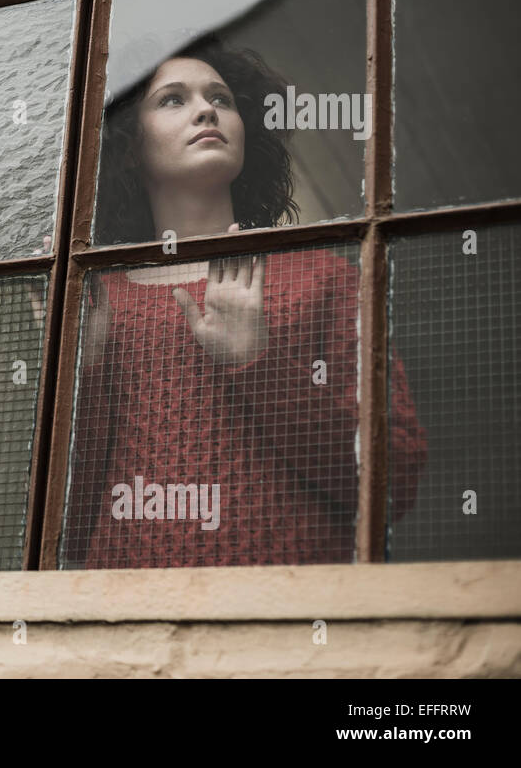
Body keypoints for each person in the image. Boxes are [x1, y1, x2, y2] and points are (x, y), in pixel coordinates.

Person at [61, 37, 427, 568]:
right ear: (128, 142)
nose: (206, 109)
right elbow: (66, 530)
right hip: (126, 622)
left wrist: (258, 364)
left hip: (290, 622)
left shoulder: (321, 278)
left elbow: (395, 478)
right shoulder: (97, 302)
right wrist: (88, 370)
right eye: (172, 99)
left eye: (222, 99)